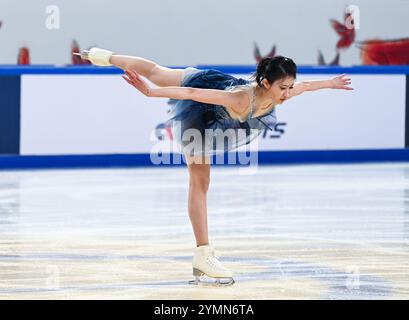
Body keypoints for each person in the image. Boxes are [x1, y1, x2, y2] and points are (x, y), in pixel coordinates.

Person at [78, 48, 353, 286]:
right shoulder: (240, 98)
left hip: (217, 93)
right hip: (199, 116)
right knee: (200, 180)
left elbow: (305, 86)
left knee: (159, 71)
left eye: (289, 87)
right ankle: (203, 253)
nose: (287, 93)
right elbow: (192, 92)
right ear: (266, 82)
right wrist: (151, 92)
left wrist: (330, 82)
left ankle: (101, 56)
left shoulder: (282, 92)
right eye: (283, 88)